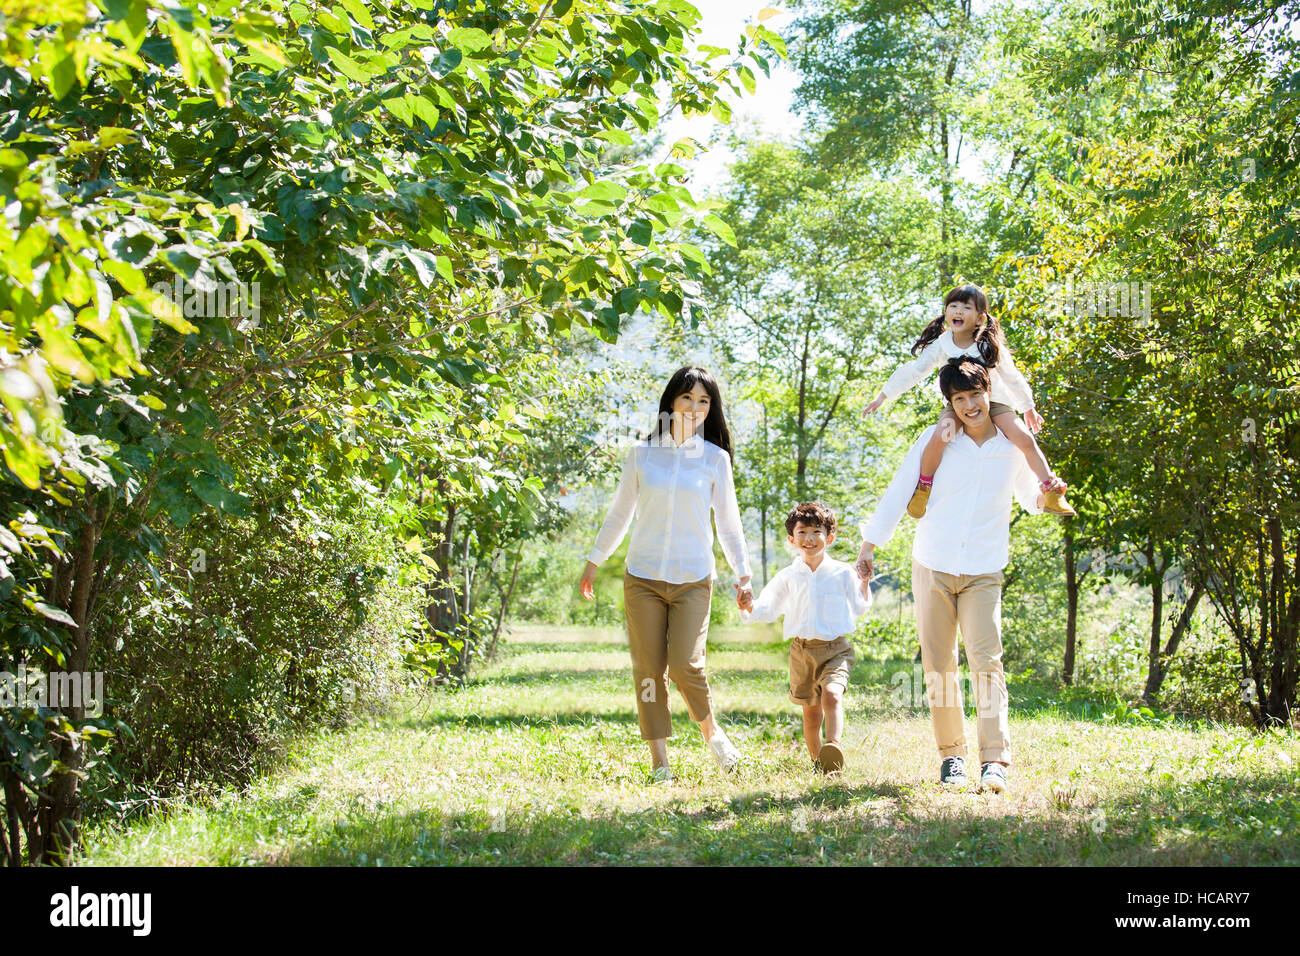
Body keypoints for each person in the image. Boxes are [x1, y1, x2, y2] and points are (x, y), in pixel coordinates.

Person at [856, 358, 1061, 794]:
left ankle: (994, 762)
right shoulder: (939, 440)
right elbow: (900, 490)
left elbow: (1030, 498)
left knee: (987, 662)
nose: (970, 405)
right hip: (933, 564)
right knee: (939, 664)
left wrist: (1051, 497)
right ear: (950, 403)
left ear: (990, 391)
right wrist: (870, 544)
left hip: (984, 569)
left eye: (976, 395)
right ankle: (952, 756)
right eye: (960, 399)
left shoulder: (1010, 444)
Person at [579, 365, 753, 783]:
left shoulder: (716, 459)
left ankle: (715, 738)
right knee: (648, 671)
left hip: (694, 578)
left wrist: (743, 575)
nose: (695, 408)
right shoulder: (642, 455)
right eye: (687, 398)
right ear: (671, 402)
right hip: (643, 576)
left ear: (711, 409)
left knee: (685, 666)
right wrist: (595, 558)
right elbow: (621, 511)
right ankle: (660, 764)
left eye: (704, 401)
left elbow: (729, 524)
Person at [861, 284, 1075, 518]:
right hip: (959, 404)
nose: (958, 311)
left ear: (980, 318)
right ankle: (923, 488)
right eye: (953, 306)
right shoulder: (942, 344)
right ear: (946, 313)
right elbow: (915, 370)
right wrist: (883, 395)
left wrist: (1028, 408)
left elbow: (1012, 376)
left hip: (996, 403)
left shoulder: (988, 344)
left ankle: (1051, 490)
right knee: (941, 435)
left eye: (966, 307)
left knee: (1024, 438)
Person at [739, 502, 871, 774]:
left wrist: (865, 582)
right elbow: (767, 608)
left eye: (816, 532)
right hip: (802, 652)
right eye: (802, 533)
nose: (809, 538)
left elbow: (859, 607)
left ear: (829, 537)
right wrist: (747, 606)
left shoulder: (842, 572)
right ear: (792, 539)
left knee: (832, 696)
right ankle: (819, 765)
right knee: (811, 715)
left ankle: (833, 747)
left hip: (836, 649)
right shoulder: (788, 576)